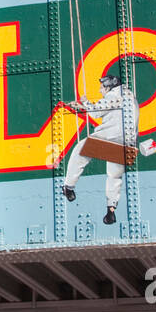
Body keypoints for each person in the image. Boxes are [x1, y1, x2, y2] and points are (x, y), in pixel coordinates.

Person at [62, 72, 138, 225]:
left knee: (80, 151)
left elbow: (97, 112)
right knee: (114, 176)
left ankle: (68, 186)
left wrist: (85, 102)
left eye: (102, 87)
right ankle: (111, 210)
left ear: (110, 85)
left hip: (110, 139)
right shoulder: (130, 96)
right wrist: (83, 106)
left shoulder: (116, 94)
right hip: (127, 144)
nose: (100, 90)